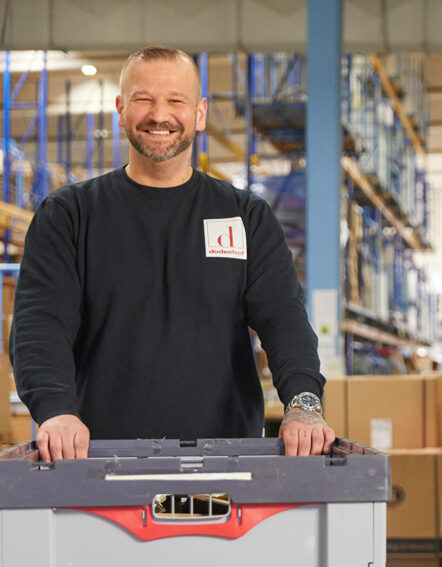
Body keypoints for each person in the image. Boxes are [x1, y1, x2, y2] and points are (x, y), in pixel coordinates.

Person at [9, 46, 334, 460]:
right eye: (143, 99)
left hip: (226, 458)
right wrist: (55, 411)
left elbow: (284, 319)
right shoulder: (69, 215)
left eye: (175, 101)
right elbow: (40, 325)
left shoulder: (245, 216)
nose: (159, 115)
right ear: (121, 109)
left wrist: (304, 404)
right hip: (99, 461)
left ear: (199, 113)